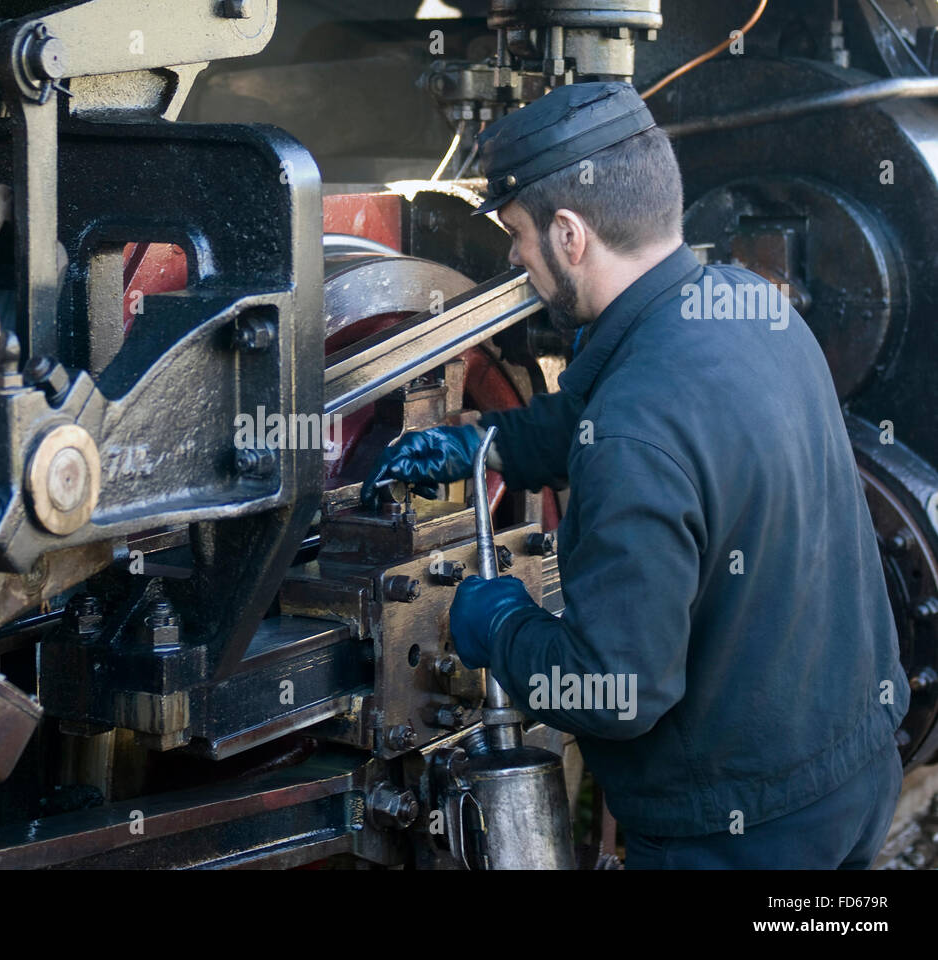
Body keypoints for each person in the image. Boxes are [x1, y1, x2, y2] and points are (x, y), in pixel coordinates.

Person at [361, 81, 909, 869]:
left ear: (571, 233)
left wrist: (502, 627)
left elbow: (617, 690)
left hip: (739, 833)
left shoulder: (632, 436)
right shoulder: (749, 306)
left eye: (518, 235)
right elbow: (606, 413)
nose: (516, 258)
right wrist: (483, 443)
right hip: (854, 769)